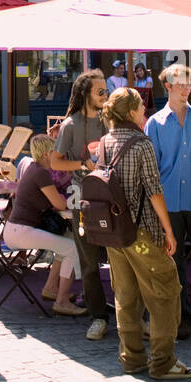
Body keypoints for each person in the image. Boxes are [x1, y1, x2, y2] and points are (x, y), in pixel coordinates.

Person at [98, 86, 191, 379]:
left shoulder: (104, 141)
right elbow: (154, 190)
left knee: (125, 295)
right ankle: (163, 361)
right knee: (164, 292)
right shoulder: (141, 143)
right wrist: (168, 230)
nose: (144, 112)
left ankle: (132, 357)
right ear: (129, 112)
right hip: (142, 231)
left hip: (113, 232)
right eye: (140, 107)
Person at [145, 62, 191, 339]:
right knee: (173, 264)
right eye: (181, 84)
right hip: (170, 201)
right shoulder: (155, 123)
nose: (186, 89)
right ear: (168, 86)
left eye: (189, 84)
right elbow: (151, 165)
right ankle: (181, 320)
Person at [49, 69, 111, 339]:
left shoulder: (110, 120)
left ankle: (126, 313)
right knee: (88, 262)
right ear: (87, 94)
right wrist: (82, 164)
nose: (105, 95)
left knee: (119, 260)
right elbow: (54, 161)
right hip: (81, 199)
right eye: (100, 91)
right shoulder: (70, 125)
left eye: (106, 90)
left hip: (110, 198)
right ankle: (98, 316)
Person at [4, 135, 84, 315]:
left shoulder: (34, 168)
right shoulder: (41, 173)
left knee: (65, 241)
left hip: (15, 229)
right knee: (72, 248)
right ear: (48, 154)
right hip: (22, 231)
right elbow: (60, 205)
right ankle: (62, 301)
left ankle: (51, 288)